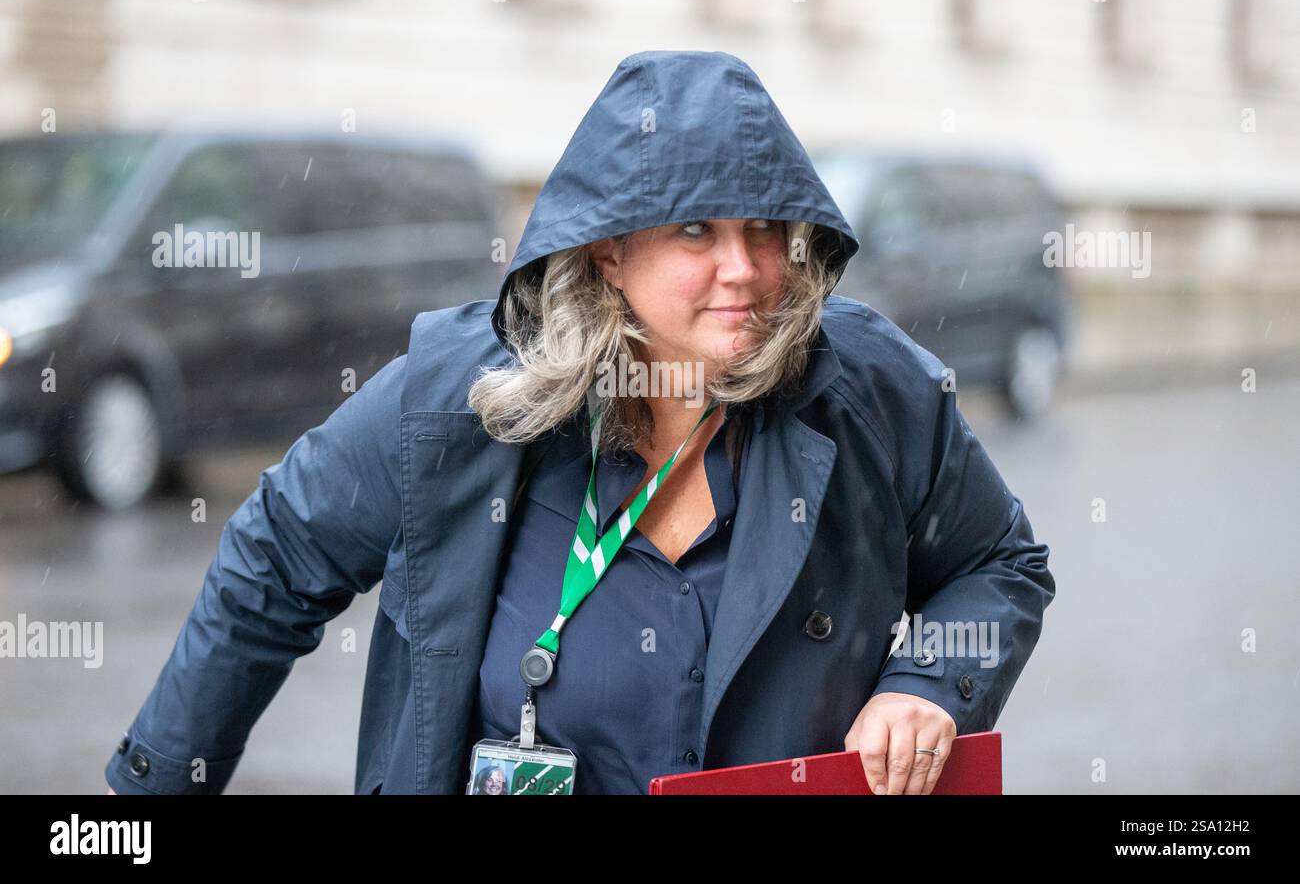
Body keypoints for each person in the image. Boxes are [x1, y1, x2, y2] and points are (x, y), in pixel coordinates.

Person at [105, 50, 1055, 796]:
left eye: (765, 229)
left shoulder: (868, 392)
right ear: (607, 249)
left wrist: (929, 683)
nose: (746, 268)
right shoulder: (460, 399)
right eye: (697, 230)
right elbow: (271, 561)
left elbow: (1000, 563)